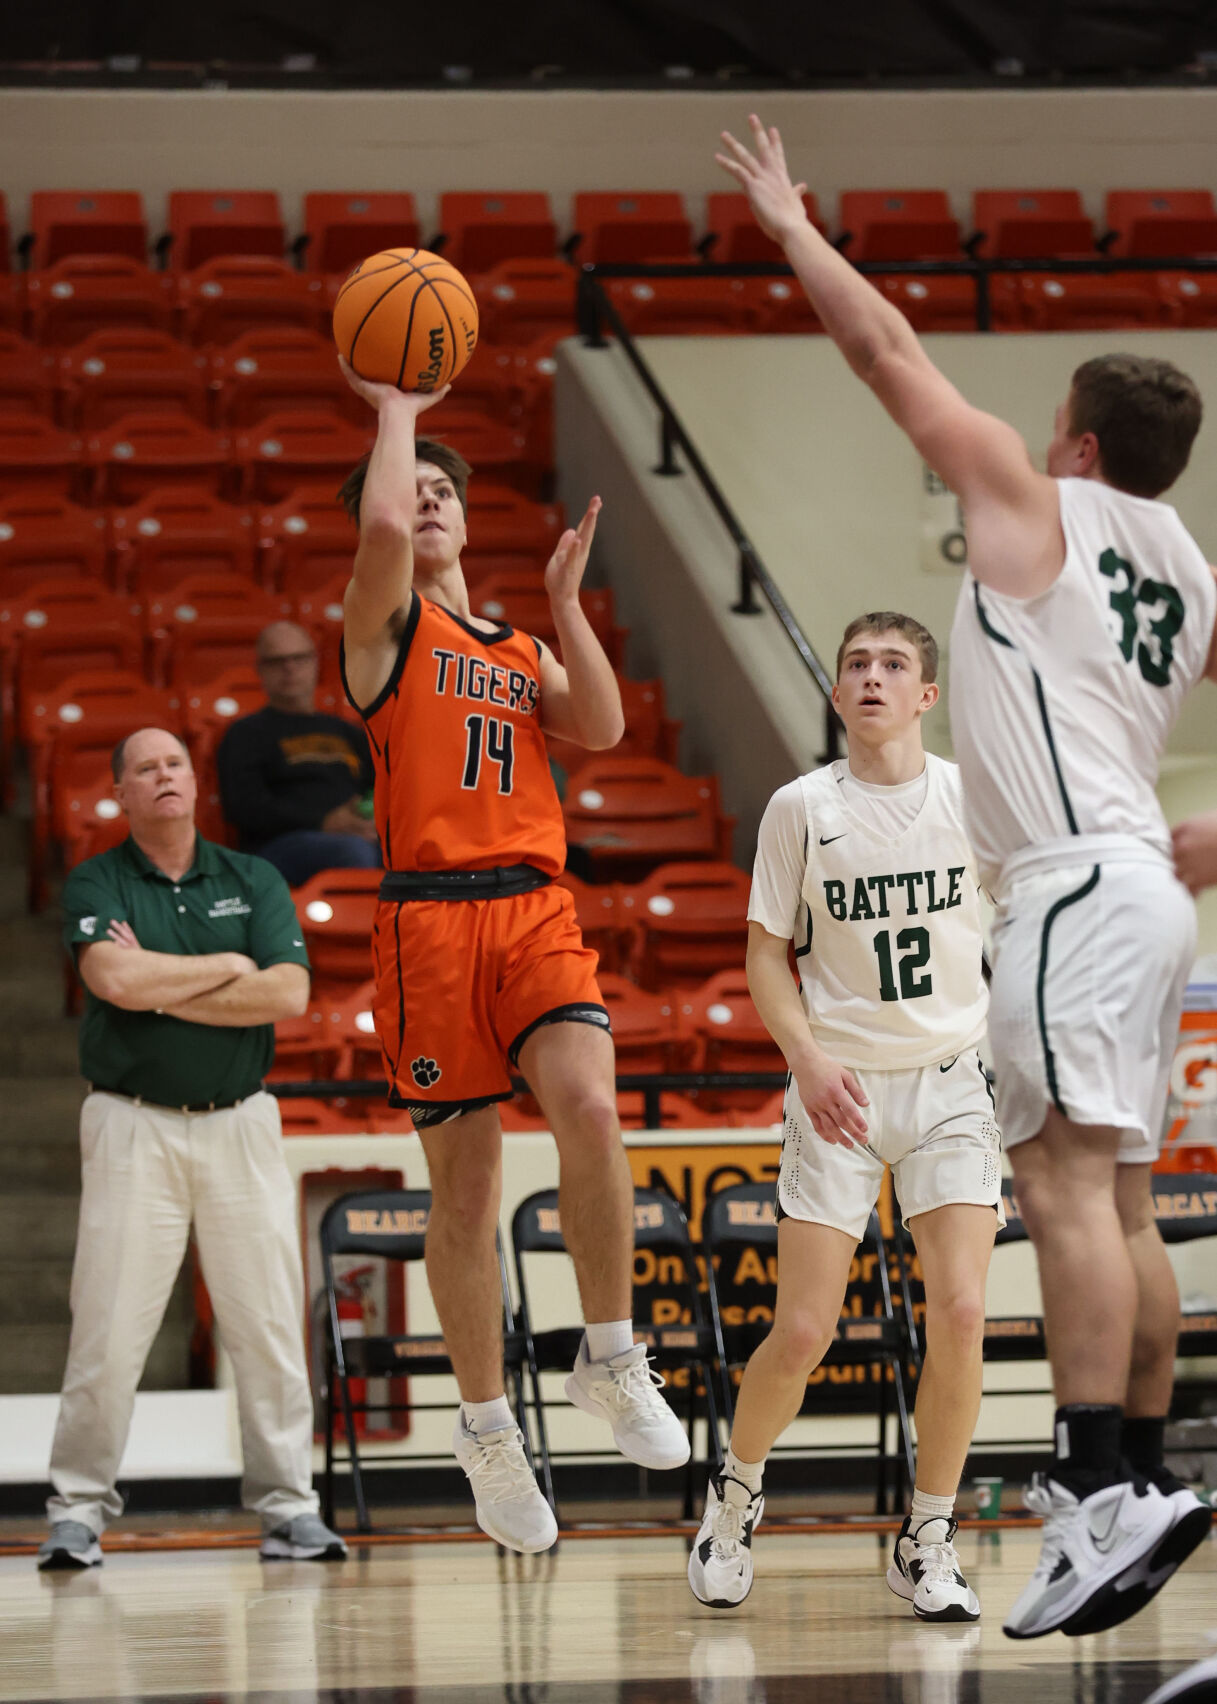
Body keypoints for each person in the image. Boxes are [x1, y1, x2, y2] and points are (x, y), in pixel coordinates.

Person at [717, 114, 1216, 1639]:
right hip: (1145, 887)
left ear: (1072, 440)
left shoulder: (1033, 505)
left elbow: (884, 357)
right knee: (1124, 1196)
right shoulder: (1189, 568)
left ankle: (1086, 1494)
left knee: (1061, 1184)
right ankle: (1145, 1462)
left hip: (1066, 887)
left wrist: (795, 230)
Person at [335, 366, 689, 1554]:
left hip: (534, 908)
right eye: (414, 489)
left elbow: (599, 727)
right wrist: (396, 406)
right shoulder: (383, 629)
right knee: (468, 1195)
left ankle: (608, 1352)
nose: (427, 500)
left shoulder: (511, 642)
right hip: (426, 924)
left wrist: (566, 604)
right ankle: (485, 1426)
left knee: (590, 1110)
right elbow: (383, 520)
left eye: (446, 488)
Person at [688, 612, 1002, 1620]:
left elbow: (1027, 919)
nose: (870, 676)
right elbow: (761, 959)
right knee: (804, 1327)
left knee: (959, 1312)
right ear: (836, 694)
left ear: (925, 695)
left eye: (892, 665)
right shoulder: (799, 809)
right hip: (839, 1088)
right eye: (855, 663)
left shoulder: (971, 798)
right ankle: (733, 1498)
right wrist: (807, 1058)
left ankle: (927, 1536)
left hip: (952, 1078)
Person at [40, 726, 347, 1569]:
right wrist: (223, 962)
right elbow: (111, 981)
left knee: (268, 1325)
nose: (163, 776)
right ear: (124, 795)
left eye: (174, 763)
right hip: (130, 1122)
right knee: (106, 1327)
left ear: (194, 785)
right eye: (144, 767)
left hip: (240, 1119)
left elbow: (286, 991)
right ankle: (77, 1510)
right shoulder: (97, 879)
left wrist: (162, 987)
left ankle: (289, 1506)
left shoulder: (252, 876)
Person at [217, 620, 379, 886]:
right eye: (276, 661)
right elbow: (244, 808)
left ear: (315, 662)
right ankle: (359, 928)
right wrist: (323, 821)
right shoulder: (244, 733)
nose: (289, 668)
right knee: (352, 851)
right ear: (260, 670)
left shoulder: (347, 732)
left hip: (354, 833)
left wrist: (367, 819)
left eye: (298, 658)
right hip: (278, 846)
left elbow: (378, 787)